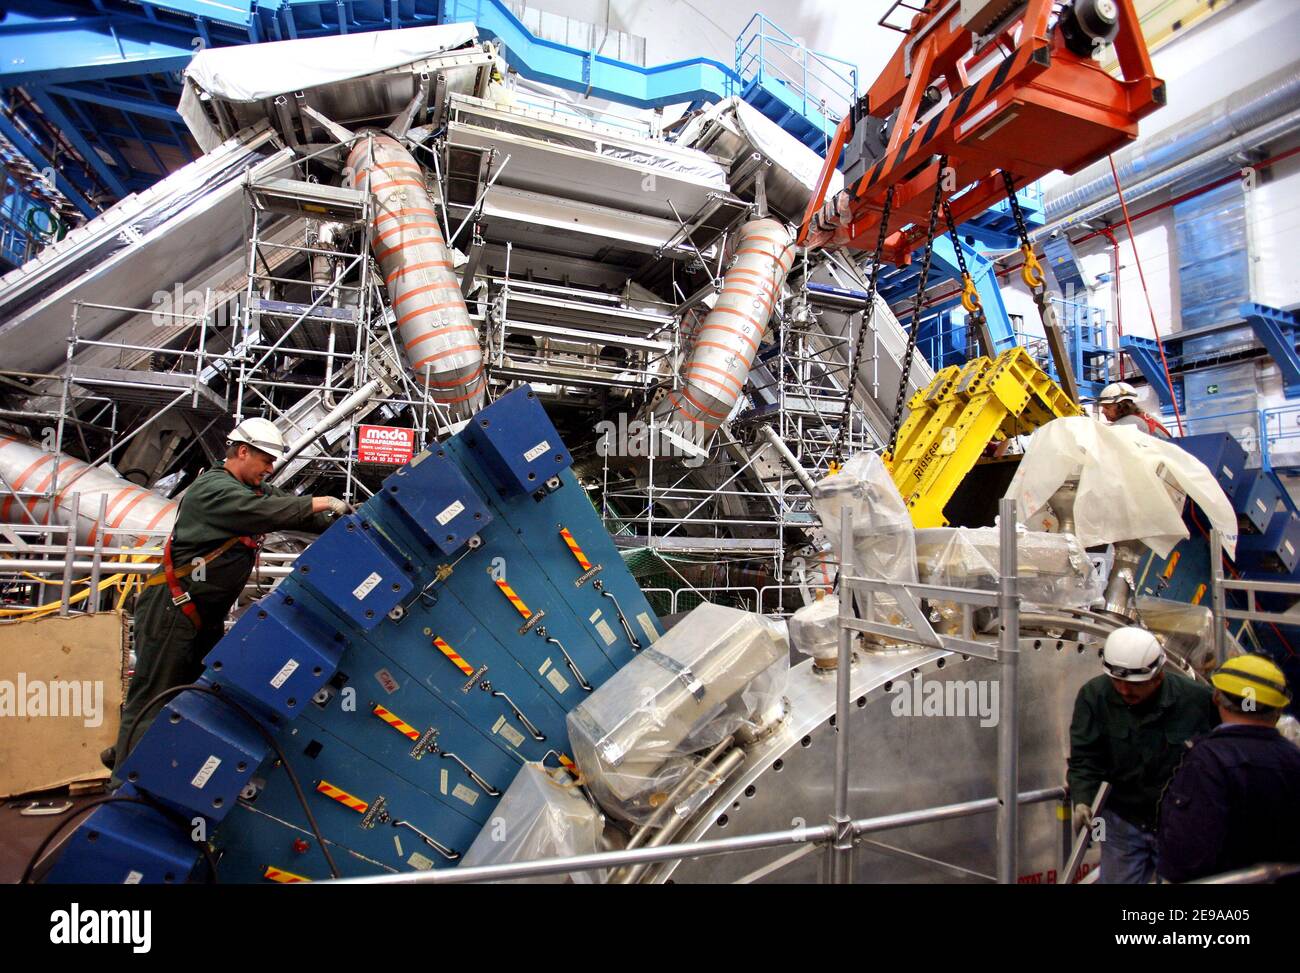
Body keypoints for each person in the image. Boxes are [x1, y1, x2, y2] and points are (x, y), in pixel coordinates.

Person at [106, 417, 351, 770]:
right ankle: (124, 780)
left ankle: (147, 761)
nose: (270, 469)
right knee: (156, 695)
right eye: (266, 460)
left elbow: (286, 511)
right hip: (173, 610)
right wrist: (322, 500)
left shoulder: (252, 490)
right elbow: (264, 512)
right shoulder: (214, 489)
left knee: (191, 696)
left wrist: (348, 521)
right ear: (242, 451)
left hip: (200, 615)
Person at [1067, 626, 1218, 883]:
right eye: (1117, 682)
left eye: (1135, 685)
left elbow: (1218, 758)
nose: (1125, 691)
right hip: (1124, 822)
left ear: (1158, 676)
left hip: (1179, 826)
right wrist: (1083, 799)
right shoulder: (1094, 696)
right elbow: (1085, 758)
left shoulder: (1197, 701)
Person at [1157, 654, 1300, 882]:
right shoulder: (1294, 759)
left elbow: (1188, 852)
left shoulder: (1207, 761)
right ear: (1277, 709)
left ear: (1217, 697)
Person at [1096, 381, 1172, 438]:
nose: (1103, 411)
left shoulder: (1130, 422)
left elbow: (1102, 438)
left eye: (1107, 407)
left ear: (1122, 406)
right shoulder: (1143, 417)